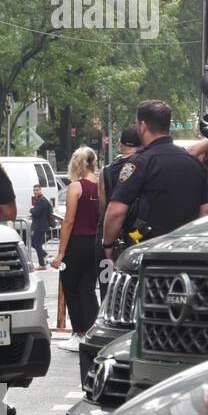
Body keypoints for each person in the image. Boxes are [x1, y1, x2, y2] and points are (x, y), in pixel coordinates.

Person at [103, 100, 208, 252]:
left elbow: (116, 212)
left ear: (142, 126)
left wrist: (108, 245)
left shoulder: (140, 163)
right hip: (186, 251)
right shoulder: (194, 163)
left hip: (149, 254)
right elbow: (207, 210)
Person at [52, 147, 100, 351]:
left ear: (76, 163)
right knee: (88, 289)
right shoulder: (102, 186)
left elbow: (69, 221)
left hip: (77, 243)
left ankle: (79, 332)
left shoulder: (75, 187)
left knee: (71, 287)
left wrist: (61, 253)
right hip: (96, 243)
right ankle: (94, 331)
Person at [97, 127, 142, 296]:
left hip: (109, 235)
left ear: (119, 143)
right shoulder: (143, 164)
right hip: (137, 235)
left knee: (108, 290)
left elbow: (103, 206)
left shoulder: (106, 171)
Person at [29, 184, 53, 269]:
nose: (35, 192)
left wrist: (31, 210)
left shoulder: (41, 200)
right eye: (34, 190)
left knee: (37, 245)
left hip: (40, 226)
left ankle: (42, 264)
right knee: (35, 244)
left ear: (40, 190)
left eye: (37, 190)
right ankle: (46, 257)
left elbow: (36, 211)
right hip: (40, 226)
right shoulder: (41, 199)